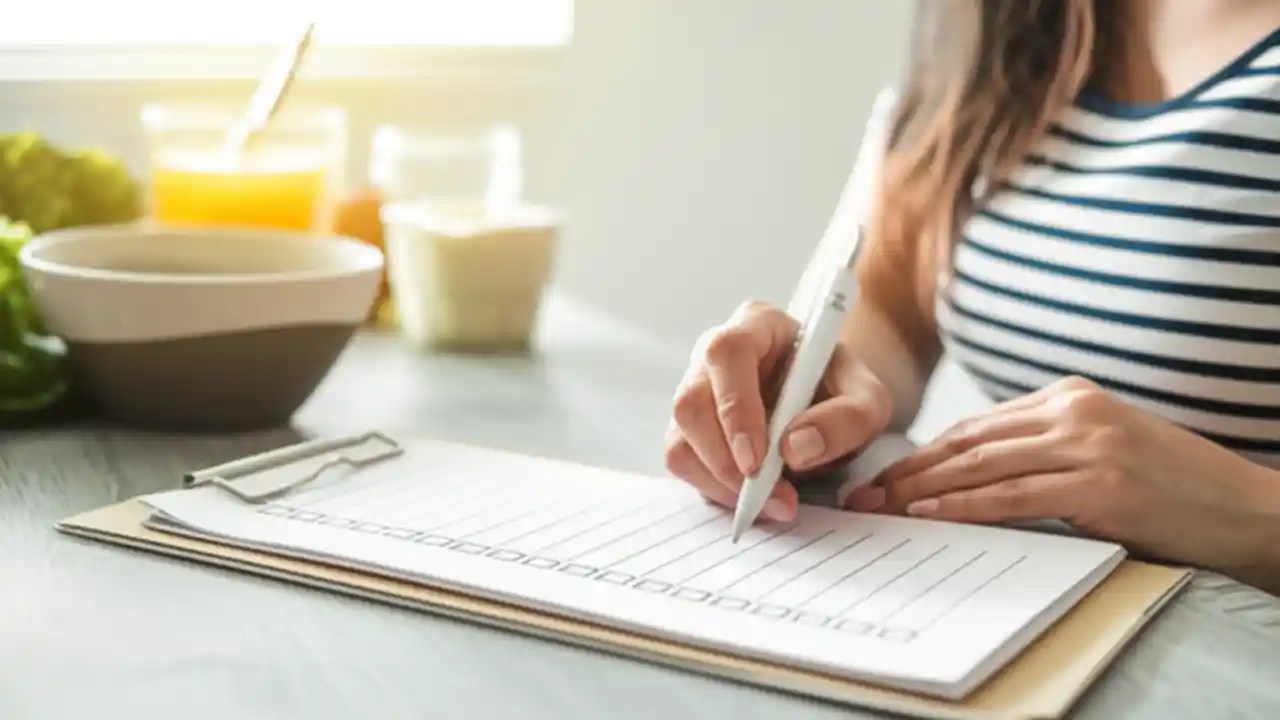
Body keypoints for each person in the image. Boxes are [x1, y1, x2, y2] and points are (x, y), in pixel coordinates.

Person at [663, 0, 1280, 595]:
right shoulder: (1002, 16)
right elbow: (892, 307)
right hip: (1014, 614)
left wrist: (1247, 511)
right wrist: (813, 396)